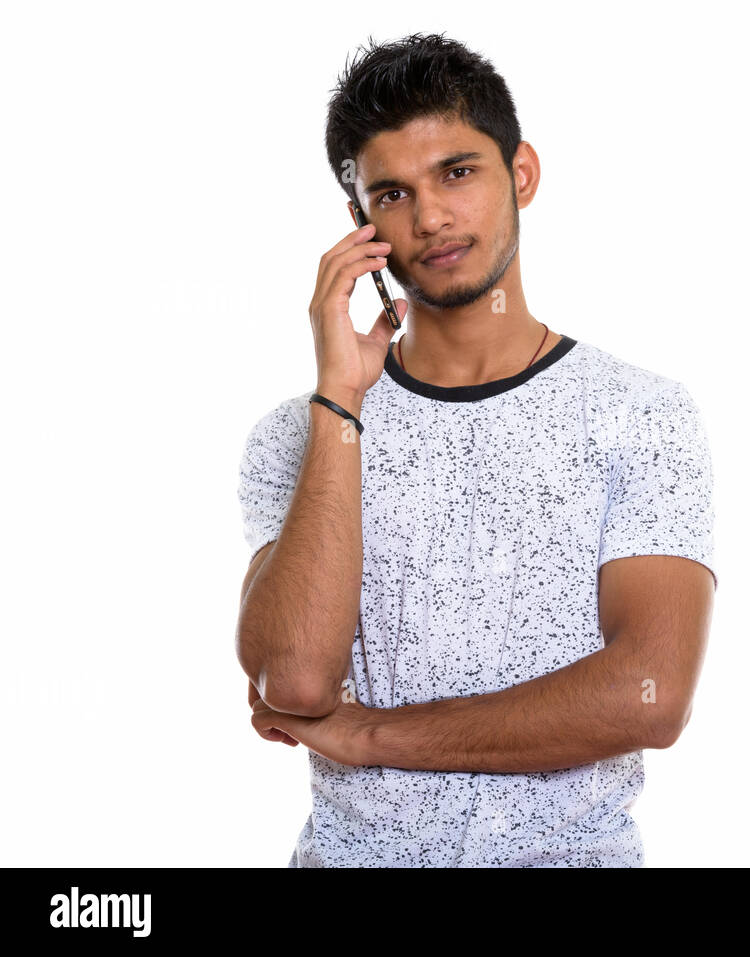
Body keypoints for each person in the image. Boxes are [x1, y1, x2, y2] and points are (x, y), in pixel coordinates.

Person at [235, 32, 717, 867]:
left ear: (521, 173)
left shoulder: (641, 416)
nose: (429, 217)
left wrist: (374, 733)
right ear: (360, 224)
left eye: (458, 172)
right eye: (391, 193)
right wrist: (340, 403)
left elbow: (649, 695)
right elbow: (296, 684)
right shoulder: (299, 431)